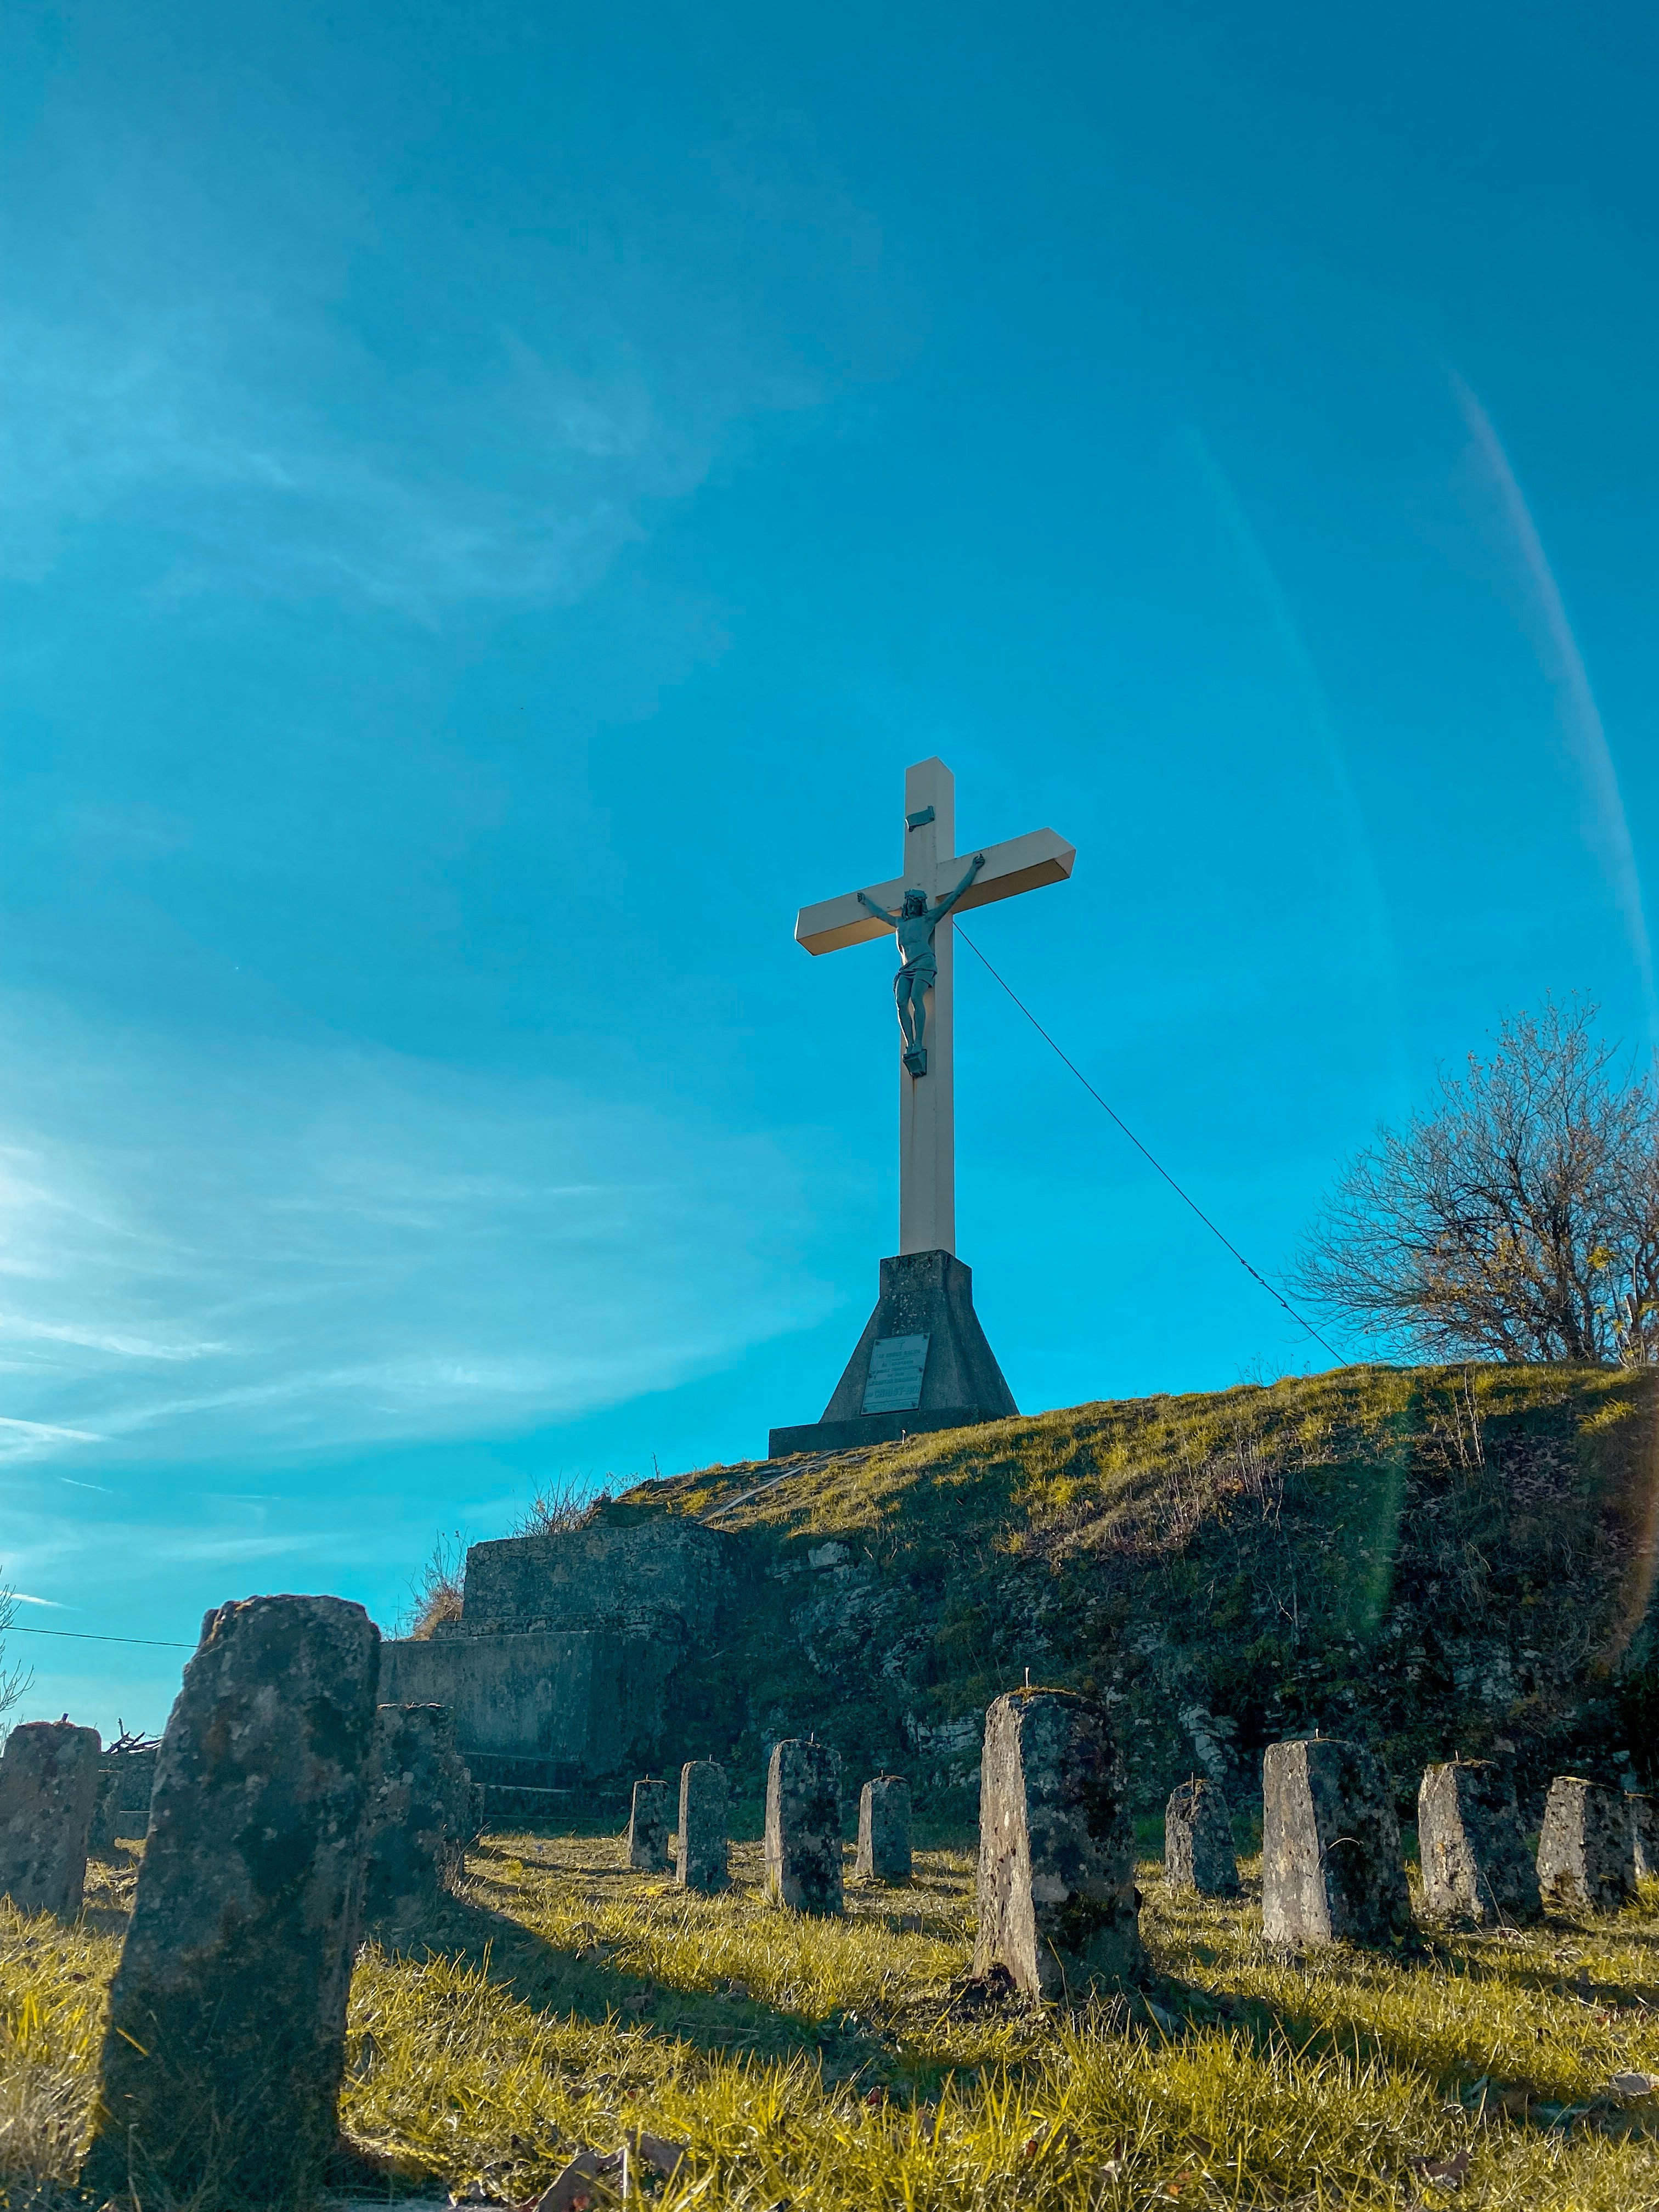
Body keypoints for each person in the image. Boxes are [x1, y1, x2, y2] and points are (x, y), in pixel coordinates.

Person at [857, 852, 985, 1073]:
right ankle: (910, 1043)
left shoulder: (928, 919)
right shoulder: (898, 923)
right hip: (905, 968)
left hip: (924, 962)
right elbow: (879, 914)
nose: (913, 907)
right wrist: (866, 902)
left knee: (917, 998)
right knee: (901, 1003)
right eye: (911, 903)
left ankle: (918, 1043)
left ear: (920, 906)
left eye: (916, 904)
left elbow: (955, 896)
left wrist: (973, 870)